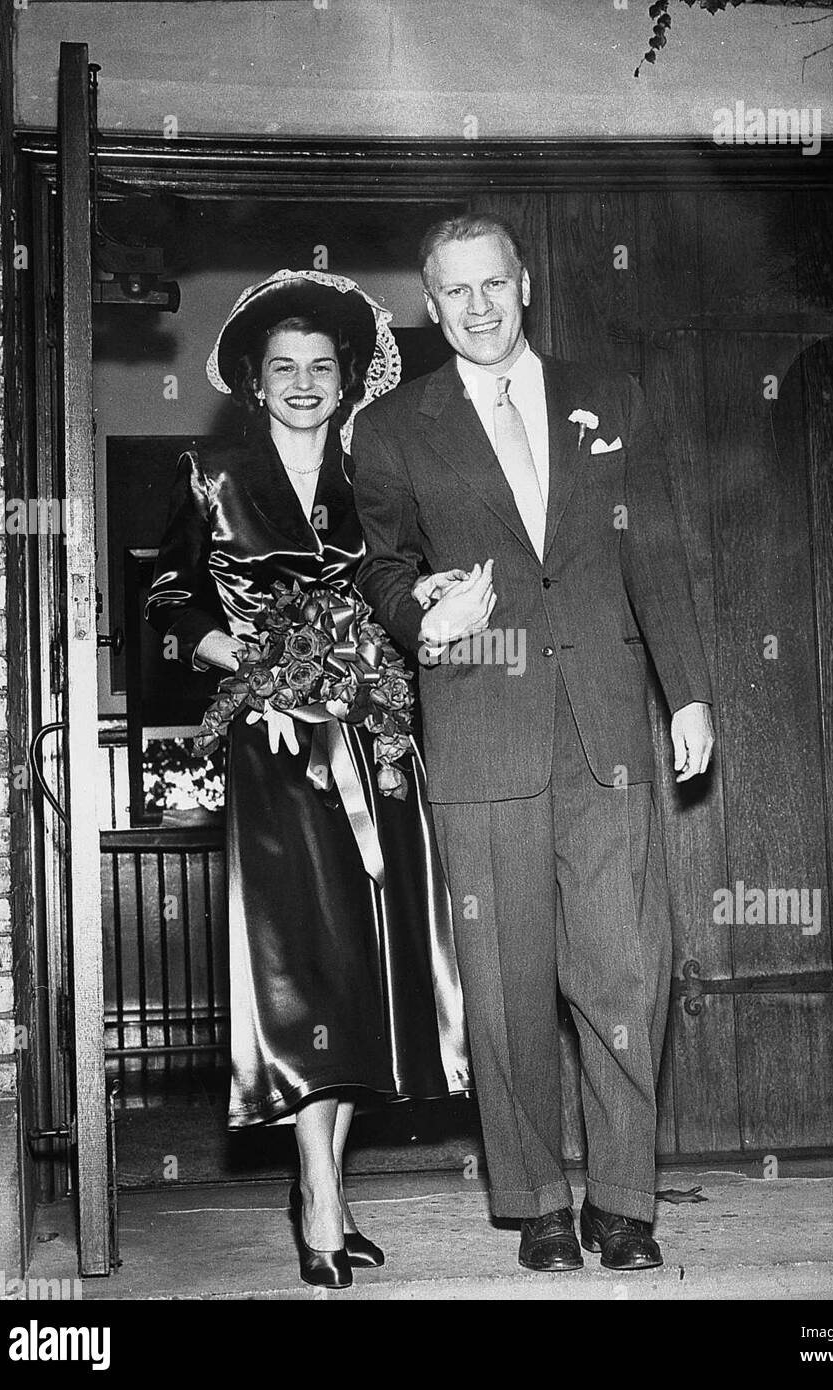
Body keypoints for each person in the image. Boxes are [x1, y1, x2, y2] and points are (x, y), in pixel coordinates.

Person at [351, 215, 715, 1274]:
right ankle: (538, 1202)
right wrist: (423, 613)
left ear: (525, 286)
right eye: (454, 292)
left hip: (604, 727)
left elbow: (656, 548)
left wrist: (688, 693)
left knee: (623, 971)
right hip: (481, 725)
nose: (478, 307)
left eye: (493, 285)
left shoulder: (611, 397)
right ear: (431, 306)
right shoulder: (393, 428)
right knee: (506, 981)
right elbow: (382, 567)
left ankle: (624, 1202)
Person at [145, 270, 469, 1289]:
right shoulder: (211, 475)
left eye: (320, 367)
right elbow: (166, 604)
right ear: (254, 379)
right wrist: (255, 664)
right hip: (276, 752)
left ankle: (323, 1190)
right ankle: (320, 1196)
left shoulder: (375, 470)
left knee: (362, 974)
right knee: (304, 975)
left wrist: (436, 600)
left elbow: (402, 584)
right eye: (282, 366)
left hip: (375, 747)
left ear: (346, 380)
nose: (301, 383)